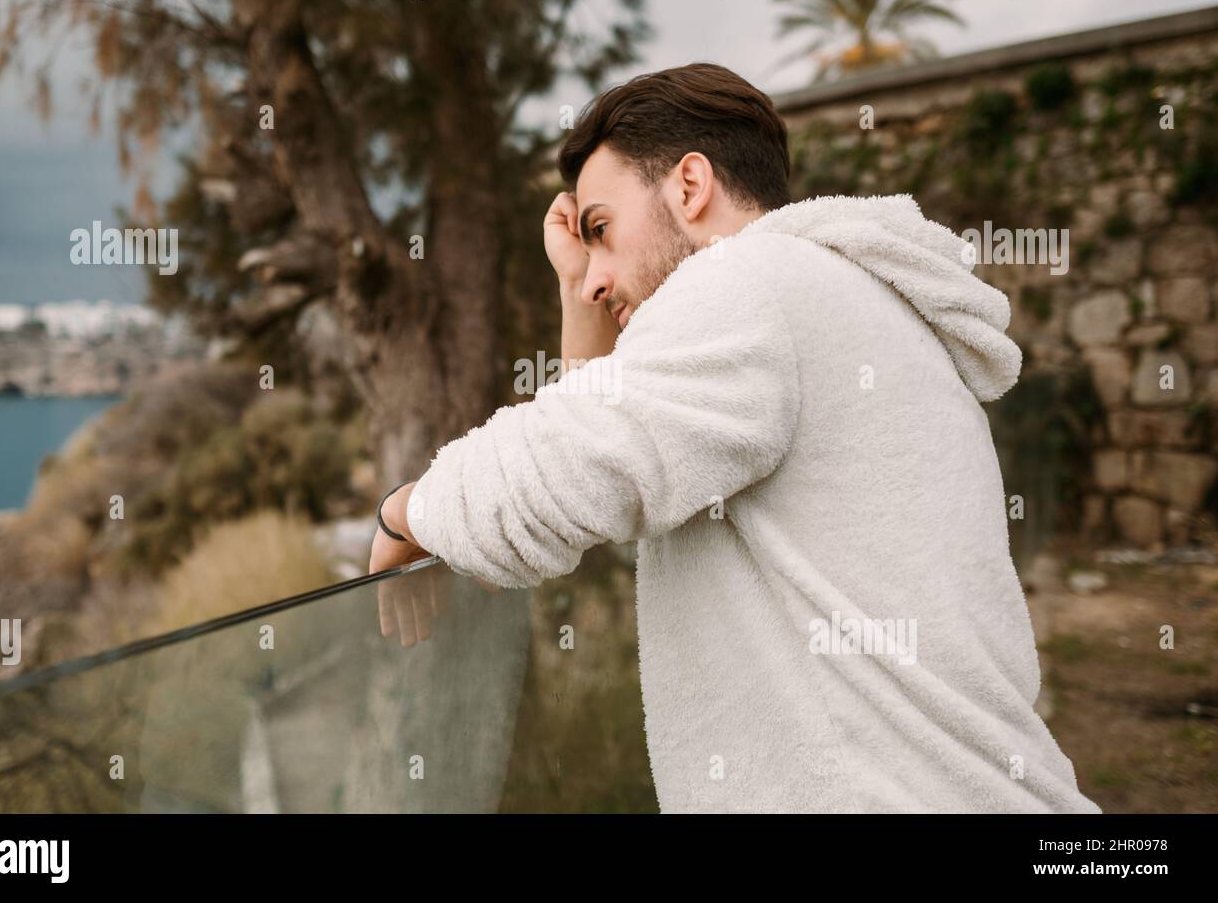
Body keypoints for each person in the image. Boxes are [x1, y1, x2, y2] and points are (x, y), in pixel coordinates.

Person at [369, 61, 1102, 813]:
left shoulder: (747, 285)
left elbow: (568, 471)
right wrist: (578, 289)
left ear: (690, 187)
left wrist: (406, 511)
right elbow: (604, 434)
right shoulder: (836, 297)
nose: (594, 274)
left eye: (601, 228)